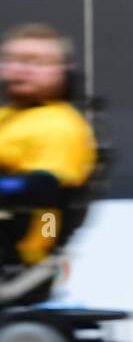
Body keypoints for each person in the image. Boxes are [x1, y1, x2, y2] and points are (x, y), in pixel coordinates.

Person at [0, 23, 98, 273]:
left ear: (62, 71)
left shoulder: (61, 125)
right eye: (12, 60)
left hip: (19, 257)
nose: (21, 69)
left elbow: (41, 187)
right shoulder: (7, 116)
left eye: (36, 62)